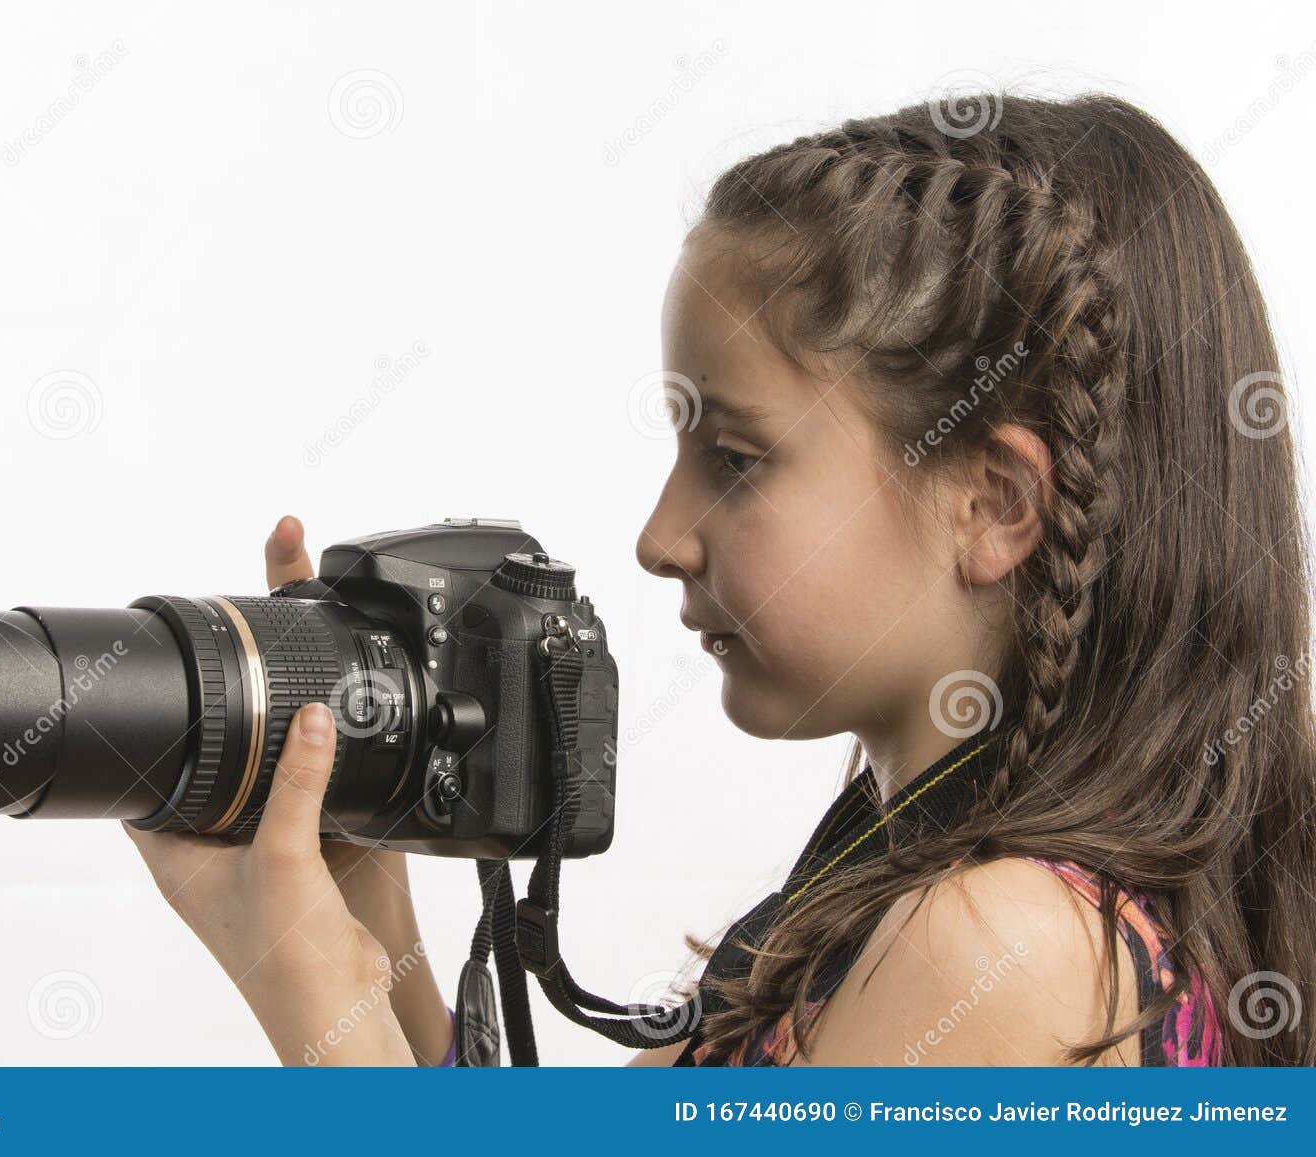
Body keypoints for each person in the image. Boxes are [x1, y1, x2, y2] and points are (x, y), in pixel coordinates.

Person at [127, 90, 1316, 1067]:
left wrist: (324, 1018)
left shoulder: (995, 950)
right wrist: (359, 908)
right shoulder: (919, 883)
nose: (658, 536)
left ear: (992, 504)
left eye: (735, 460)